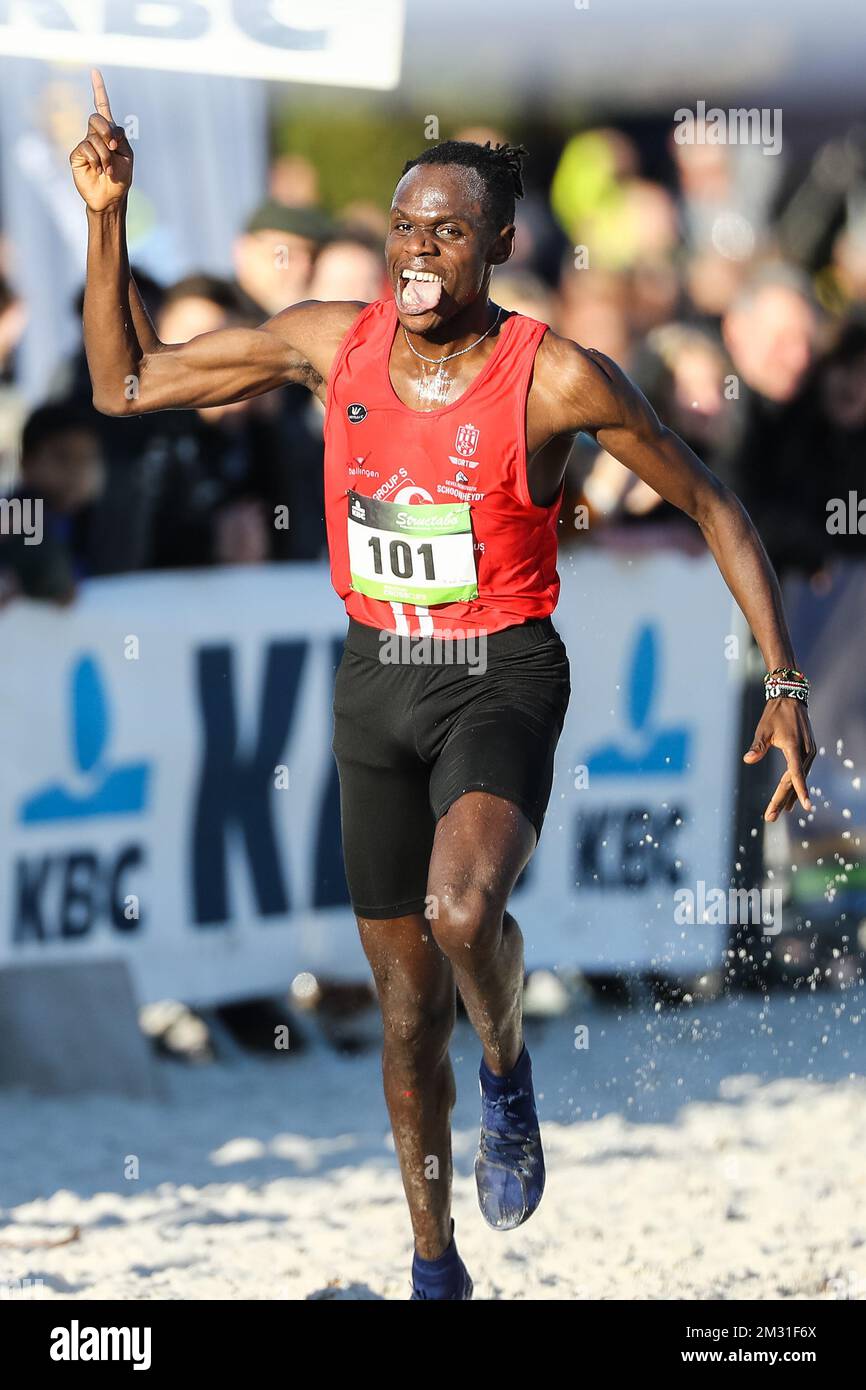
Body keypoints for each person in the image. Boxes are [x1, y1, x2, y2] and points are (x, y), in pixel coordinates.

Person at [71, 71, 817, 1301]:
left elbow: (711, 501)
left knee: (464, 915)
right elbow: (126, 384)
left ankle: (510, 1069)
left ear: (499, 247)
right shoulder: (332, 340)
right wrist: (108, 216)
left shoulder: (556, 375)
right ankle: (434, 1265)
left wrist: (780, 678)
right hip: (377, 683)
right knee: (406, 1016)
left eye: (447, 232)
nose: (417, 252)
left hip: (500, 671)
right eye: (404, 228)